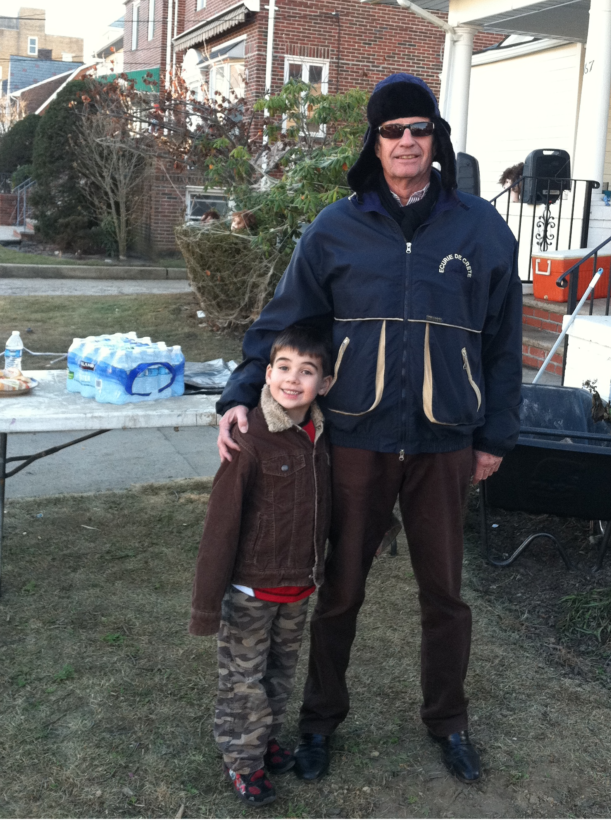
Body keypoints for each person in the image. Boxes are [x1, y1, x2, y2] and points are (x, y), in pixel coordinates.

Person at [216, 73, 522, 785]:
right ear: (374, 143)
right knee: (342, 588)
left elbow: (504, 344)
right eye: (393, 131)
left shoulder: (481, 229)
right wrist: (240, 388)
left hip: (448, 442)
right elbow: (285, 320)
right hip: (356, 438)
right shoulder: (335, 227)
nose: (408, 141)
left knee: (445, 594)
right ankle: (320, 721)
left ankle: (448, 721)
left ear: (436, 139)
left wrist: (494, 436)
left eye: (419, 129)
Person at [189, 324, 333, 807]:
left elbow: (331, 501)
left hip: (298, 588)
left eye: (307, 371)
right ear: (267, 373)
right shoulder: (249, 438)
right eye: (284, 368)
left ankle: (265, 738)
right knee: (242, 681)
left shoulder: (320, 436)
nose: (293, 380)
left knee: (279, 673)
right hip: (251, 590)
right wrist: (207, 606)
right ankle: (242, 761)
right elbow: (220, 527)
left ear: (324, 384)